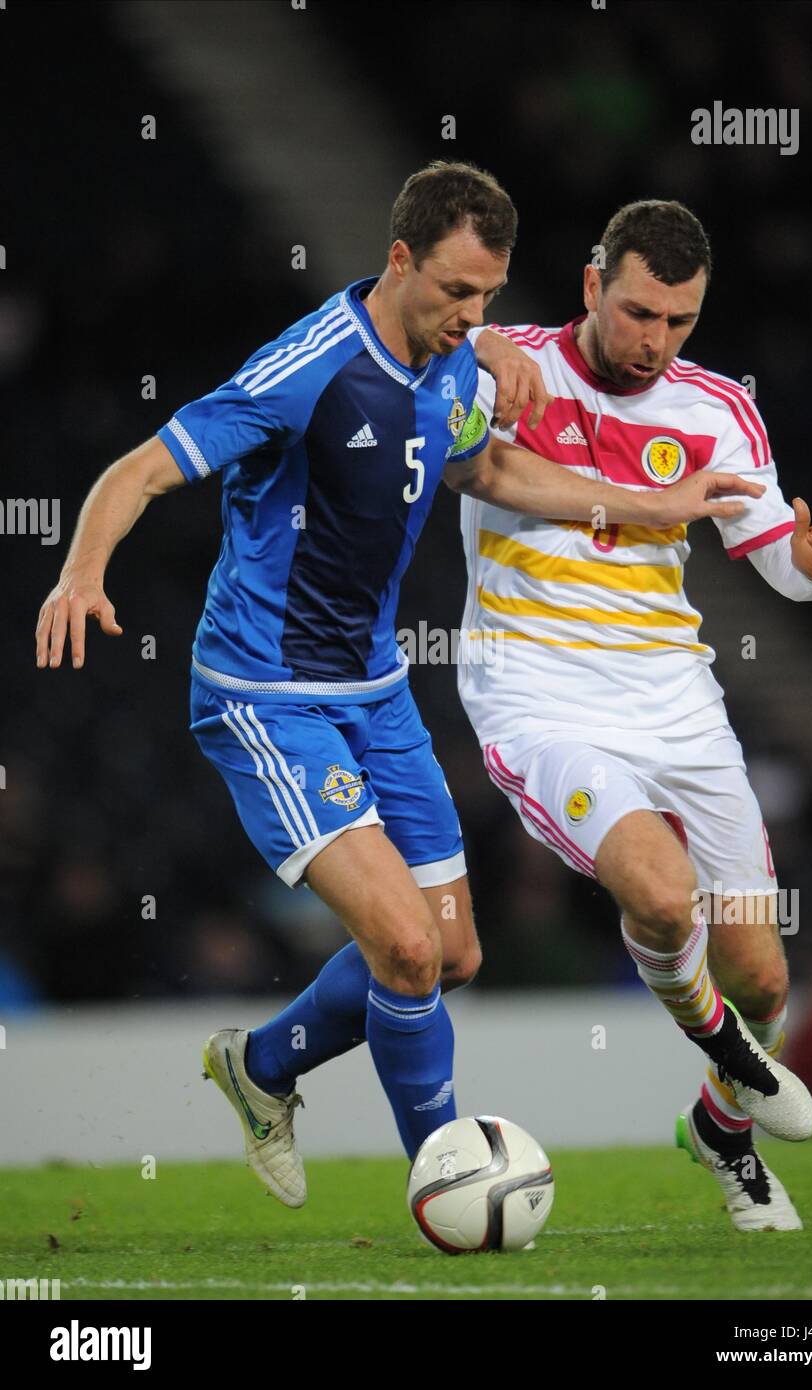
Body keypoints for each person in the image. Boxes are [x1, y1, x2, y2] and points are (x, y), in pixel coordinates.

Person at [35, 167, 764, 1209]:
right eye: (456, 293)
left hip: (375, 694)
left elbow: (497, 475)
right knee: (407, 945)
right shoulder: (311, 368)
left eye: (489, 299)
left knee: (451, 952)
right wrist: (79, 569)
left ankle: (262, 1067)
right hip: (267, 696)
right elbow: (145, 466)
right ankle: (451, 1178)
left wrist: (654, 505)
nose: (473, 319)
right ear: (397, 261)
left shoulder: (458, 367)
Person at [457, 198, 812, 1231]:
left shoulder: (714, 412)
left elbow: (778, 561)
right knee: (657, 897)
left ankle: (718, 1126)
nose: (654, 341)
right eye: (639, 312)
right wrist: (472, 335)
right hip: (539, 694)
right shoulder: (503, 364)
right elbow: (420, 346)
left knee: (761, 972)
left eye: (678, 323)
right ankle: (732, 1058)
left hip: (677, 703)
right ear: (591, 285)